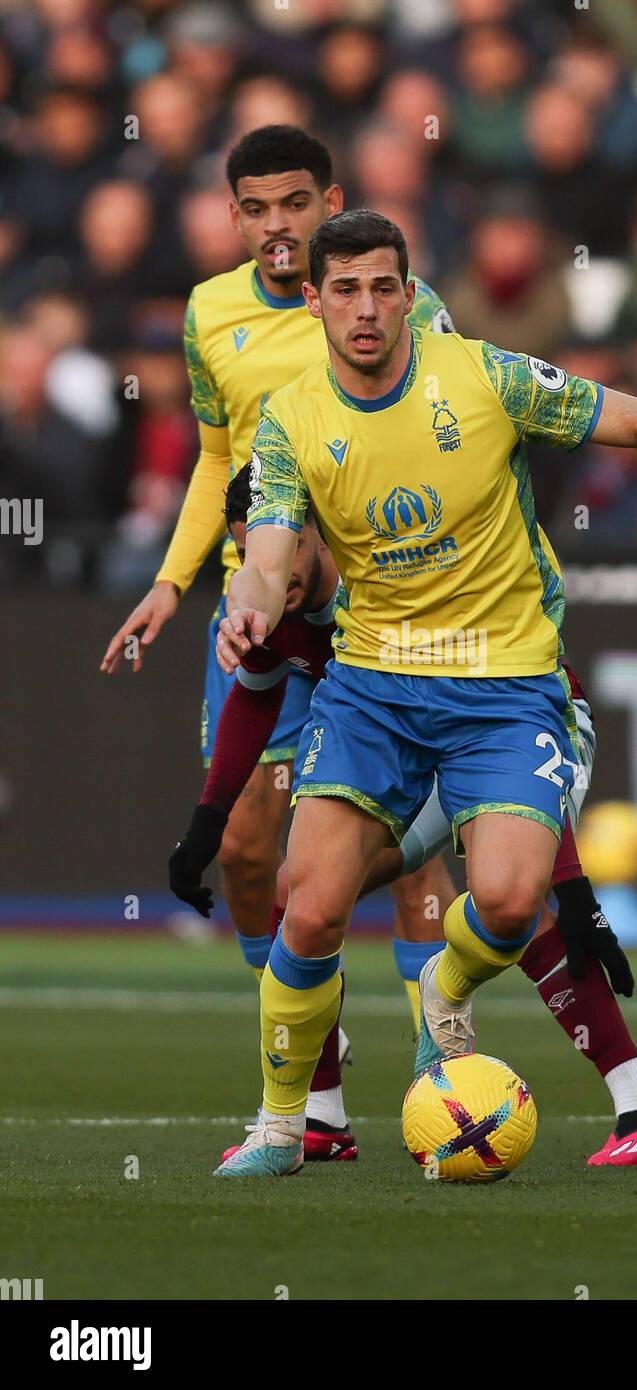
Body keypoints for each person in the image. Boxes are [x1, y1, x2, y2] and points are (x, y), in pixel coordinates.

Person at [214, 209, 637, 1177]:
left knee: (505, 896)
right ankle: (287, 1123)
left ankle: (445, 990)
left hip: (504, 685)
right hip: (372, 693)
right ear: (314, 301)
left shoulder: (483, 376)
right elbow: (271, 545)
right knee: (309, 906)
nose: (365, 308)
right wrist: (246, 599)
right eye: (345, 289)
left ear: (409, 294)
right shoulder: (290, 418)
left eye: (382, 287)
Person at [100, 126, 457, 1159]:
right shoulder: (211, 314)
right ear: (231, 216)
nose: (274, 227)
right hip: (257, 609)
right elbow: (217, 462)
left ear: (330, 200)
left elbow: (456, 431)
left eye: (294, 204)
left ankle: (446, 1070)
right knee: (252, 851)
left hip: (380, 610)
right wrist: (173, 582)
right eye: (253, 209)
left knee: (398, 852)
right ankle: (323, 1096)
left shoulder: (395, 300)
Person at [172, 464, 637, 1168]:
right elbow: (257, 692)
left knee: (515, 898)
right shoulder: (269, 597)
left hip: (520, 721)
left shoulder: (393, 581)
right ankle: (318, 1119)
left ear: (325, 531)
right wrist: (207, 822)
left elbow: (506, 718)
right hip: (417, 751)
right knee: (303, 894)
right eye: (247, 552)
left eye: (284, 548)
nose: (270, 571)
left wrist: (569, 880)